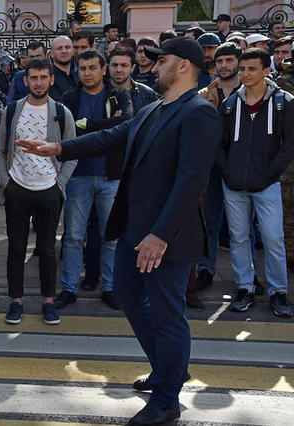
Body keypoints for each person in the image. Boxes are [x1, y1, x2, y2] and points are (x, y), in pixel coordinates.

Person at [18, 37, 222, 425]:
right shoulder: (155, 110)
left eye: (162, 61)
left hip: (167, 240)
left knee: (168, 316)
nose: (153, 65)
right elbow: (111, 137)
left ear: (183, 67)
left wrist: (160, 235)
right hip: (133, 231)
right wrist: (57, 149)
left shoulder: (199, 113)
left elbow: (191, 181)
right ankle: (168, 369)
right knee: (129, 296)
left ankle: (166, 401)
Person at [0, 58, 77, 325]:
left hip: (49, 189)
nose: (39, 82)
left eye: (44, 77)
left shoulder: (62, 112)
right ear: (26, 80)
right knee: (16, 248)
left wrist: (60, 183)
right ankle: (16, 301)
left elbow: (72, 152)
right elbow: (0, 150)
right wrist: (5, 181)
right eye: (34, 77)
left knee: (47, 249)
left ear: (52, 80)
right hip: (18, 187)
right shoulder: (12, 110)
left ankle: (48, 301)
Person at [54, 48, 133, 311]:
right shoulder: (70, 97)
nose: (87, 73)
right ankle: (69, 288)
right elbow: (64, 128)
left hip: (111, 176)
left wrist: (87, 124)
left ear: (103, 69)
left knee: (111, 237)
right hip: (77, 175)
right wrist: (106, 123)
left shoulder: (119, 94)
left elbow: (126, 125)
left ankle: (110, 288)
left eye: (92, 68)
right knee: (74, 236)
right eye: (83, 68)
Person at [219, 48, 294, 318]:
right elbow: (221, 143)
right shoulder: (230, 104)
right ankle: (245, 287)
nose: (245, 74)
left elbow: (289, 145)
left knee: (273, 238)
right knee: (239, 237)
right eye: (243, 69)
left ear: (266, 71)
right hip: (234, 183)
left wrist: (270, 172)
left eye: (252, 69)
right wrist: (227, 171)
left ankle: (278, 292)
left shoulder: (284, 102)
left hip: (267, 183)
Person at [194, 42, 243, 299]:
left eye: (229, 61)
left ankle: (246, 276)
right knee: (210, 222)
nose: (224, 65)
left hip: (243, 166)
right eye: (220, 61)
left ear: (238, 63)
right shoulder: (205, 94)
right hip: (211, 166)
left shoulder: (252, 92)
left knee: (242, 227)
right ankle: (206, 269)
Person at [49, 35, 79, 101]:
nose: (64, 51)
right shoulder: (47, 77)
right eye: (59, 48)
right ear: (52, 54)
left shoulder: (80, 75)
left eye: (67, 47)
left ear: (73, 51)